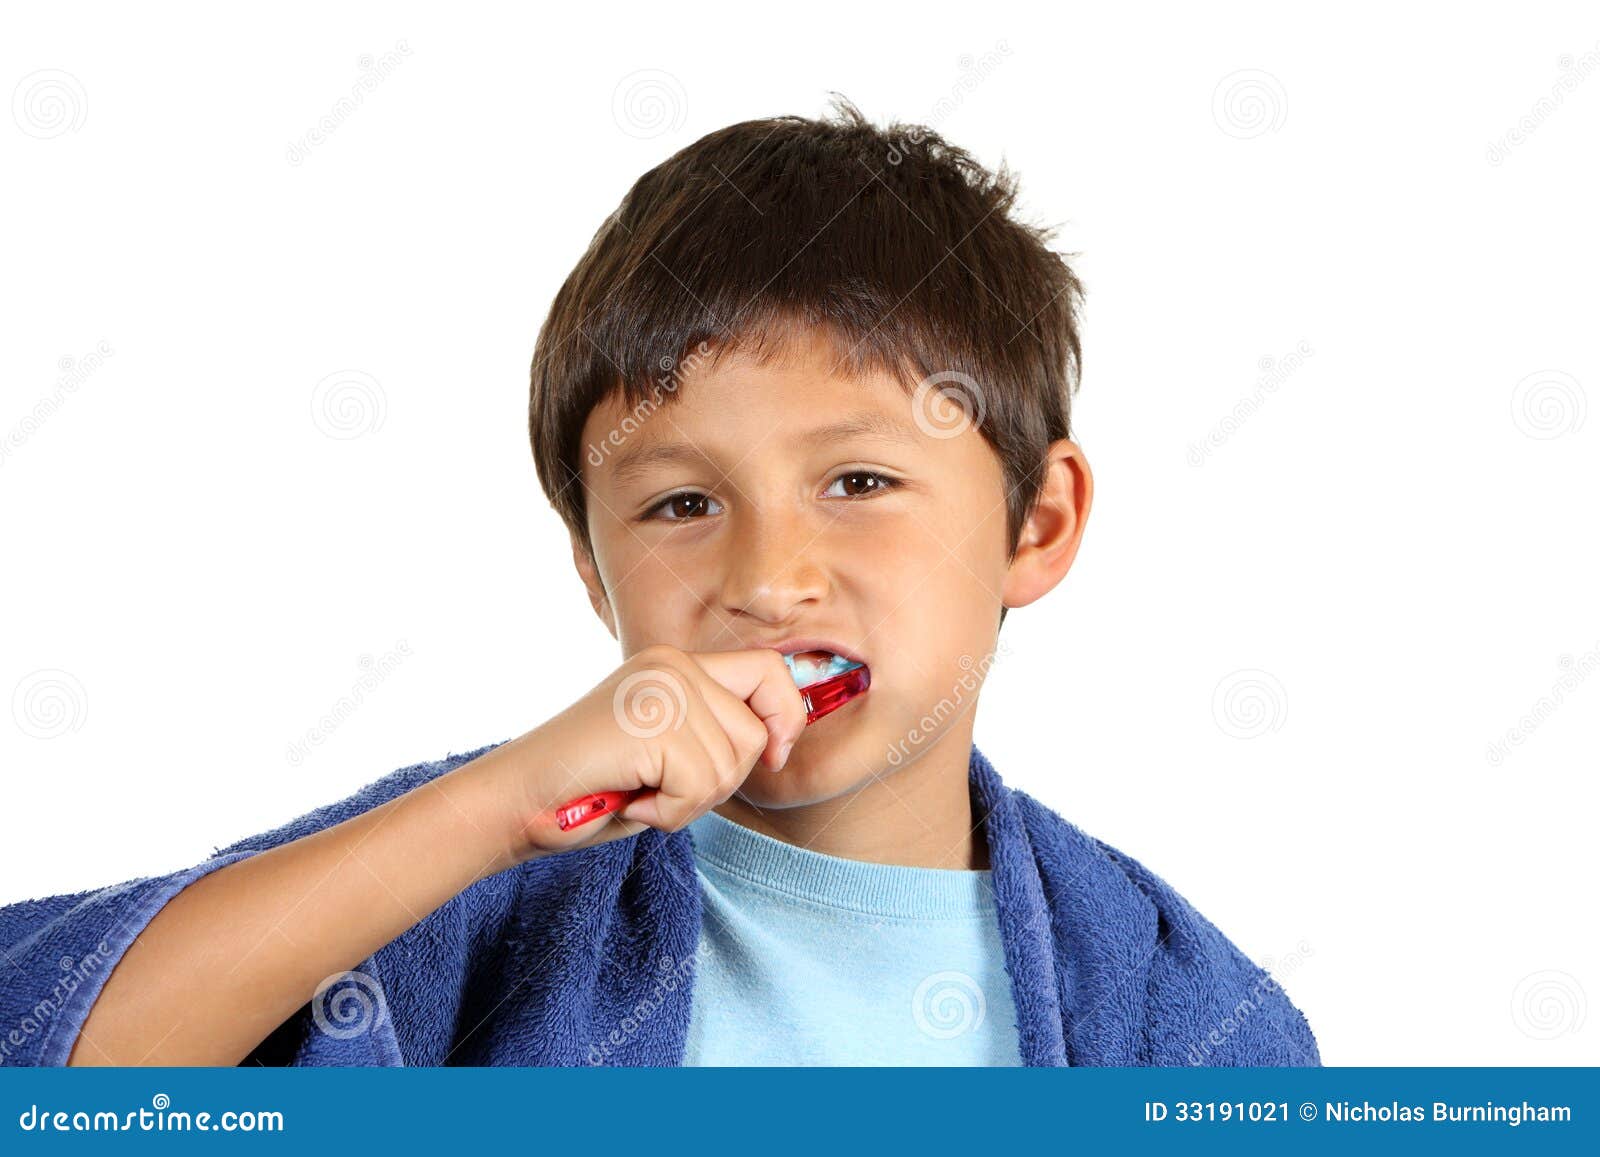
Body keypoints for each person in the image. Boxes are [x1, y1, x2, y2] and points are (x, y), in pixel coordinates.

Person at [0, 96, 1319, 1068]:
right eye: (682, 504)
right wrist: (496, 809)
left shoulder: (1185, 1013)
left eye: (857, 482)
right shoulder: (475, 879)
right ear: (592, 570)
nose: (769, 576)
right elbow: (50, 1064)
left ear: (1037, 522)